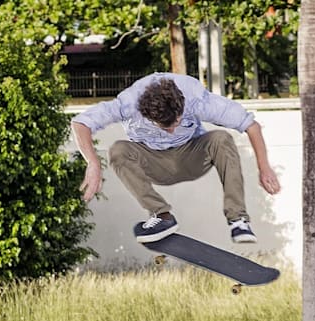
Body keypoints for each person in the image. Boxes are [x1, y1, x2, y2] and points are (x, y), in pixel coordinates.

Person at [71, 73, 281, 244]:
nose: (172, 131)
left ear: (183, 105)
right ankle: (162, 216)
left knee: (221, 138)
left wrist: (264, 168)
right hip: (153, 162)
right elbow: (81, 123)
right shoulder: (127, 104)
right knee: (118, 149)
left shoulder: (196, 98)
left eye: (176, 122)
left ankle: (238, 219)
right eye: (165, 126)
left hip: (192, 156)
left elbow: (251, 126)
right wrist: (93, 163)